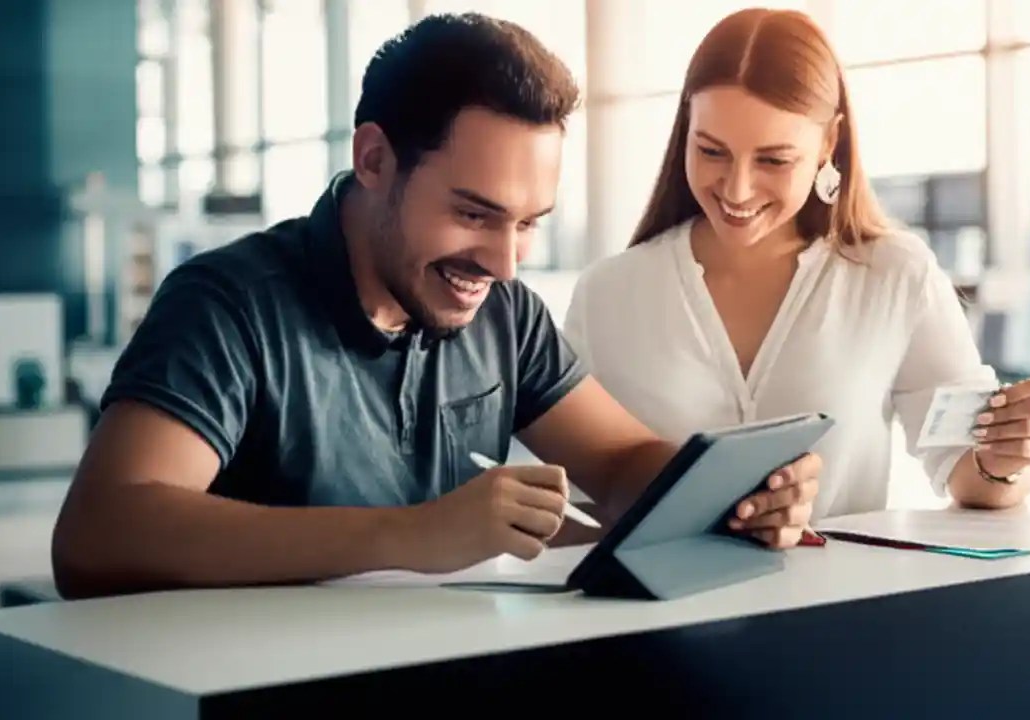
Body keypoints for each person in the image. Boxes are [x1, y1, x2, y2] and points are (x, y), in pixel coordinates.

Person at [51, 13, 820, 600]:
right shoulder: (231, 305)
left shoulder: (503, 313)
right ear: (375, 159)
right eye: (476, 214)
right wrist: (413, 533)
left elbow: (620, 464)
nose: (503, 262)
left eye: (528, 224)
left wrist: (733, 497)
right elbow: (99, 534)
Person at [562, 8, 1030, 521]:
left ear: (828, 142)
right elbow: (575, 507)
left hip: (838, 601)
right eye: (712, 151)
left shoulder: (894, 275)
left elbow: (969, 472)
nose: (737, 189)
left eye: (773, 160)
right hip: (654, 602)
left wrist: (1004, 460)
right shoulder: (608, 293)